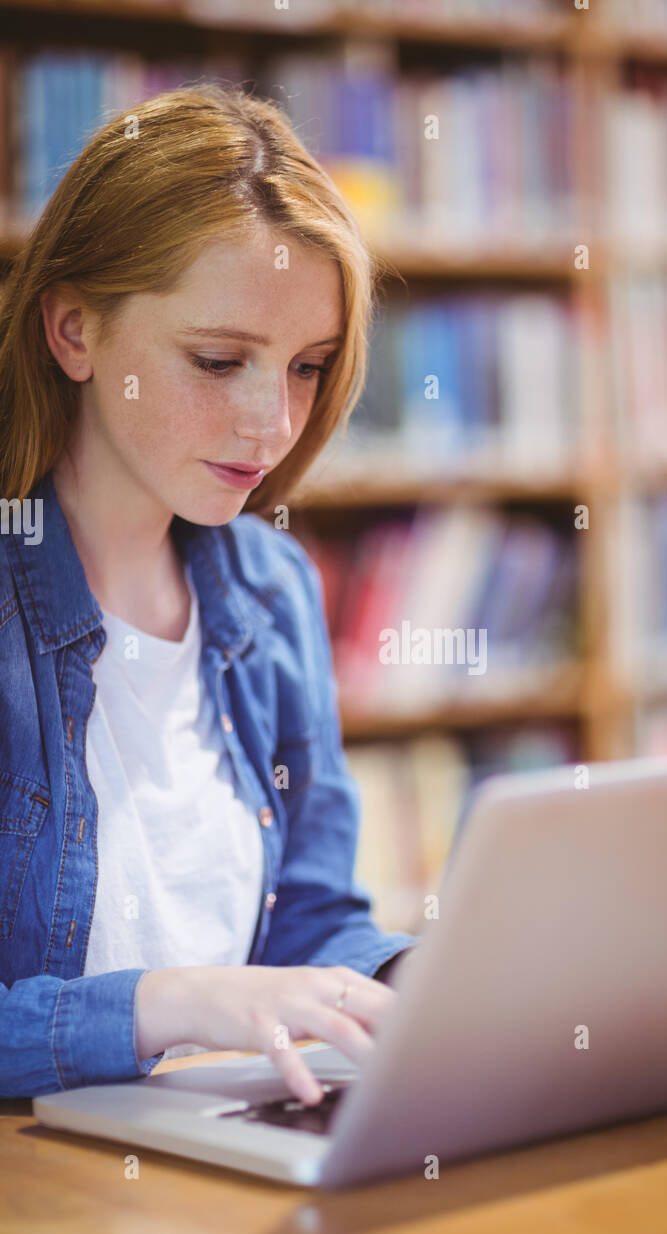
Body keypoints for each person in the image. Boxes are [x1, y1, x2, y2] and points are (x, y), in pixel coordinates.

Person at [0, 82, 421, 1105]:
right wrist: (169, 1002)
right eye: (219, 359)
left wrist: (418, 982)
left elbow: (311, 922)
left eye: (307, 368)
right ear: (73, 331)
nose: (270, 425)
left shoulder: (273, 589)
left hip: (220, 1162)